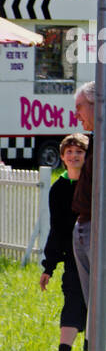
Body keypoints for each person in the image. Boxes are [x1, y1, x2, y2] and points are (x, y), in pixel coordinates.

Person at [36, 133, 88, 351]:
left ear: (87, 157)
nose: (74, 156)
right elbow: (56, 228)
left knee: (96, 305)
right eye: (69, 152)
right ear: (62, 157)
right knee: (72, 302)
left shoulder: (94, 184)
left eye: (79, 152)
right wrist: (49, 266)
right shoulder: (58, 189)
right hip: (73, 257)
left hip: (97, 253)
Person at [72, 81, 96, 316]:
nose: (76, 113)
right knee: (94, 306)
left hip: (96, 227)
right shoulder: (94, 140)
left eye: (80, 107)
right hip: (84, 225)